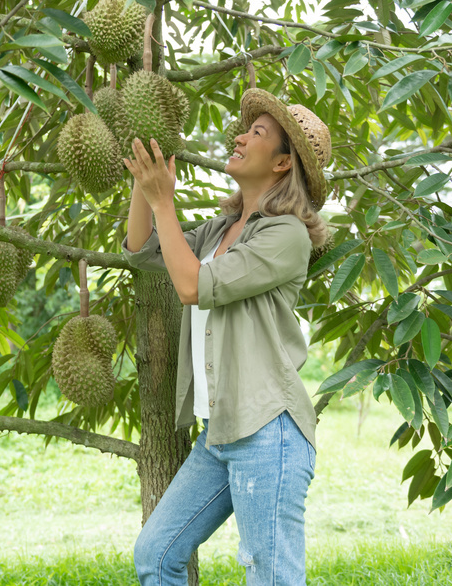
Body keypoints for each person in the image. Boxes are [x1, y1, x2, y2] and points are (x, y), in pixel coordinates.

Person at [122, 88, 333, 585]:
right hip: (220, 432)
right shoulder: (221, 230)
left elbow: (193, 285)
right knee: (156, 553)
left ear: (283, 163)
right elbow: (144, 250)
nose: (240, 136)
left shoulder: (285, 235)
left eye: (256, 132)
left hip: (267, 431)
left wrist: (163, 200)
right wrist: (144, 177)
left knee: (270, 577)